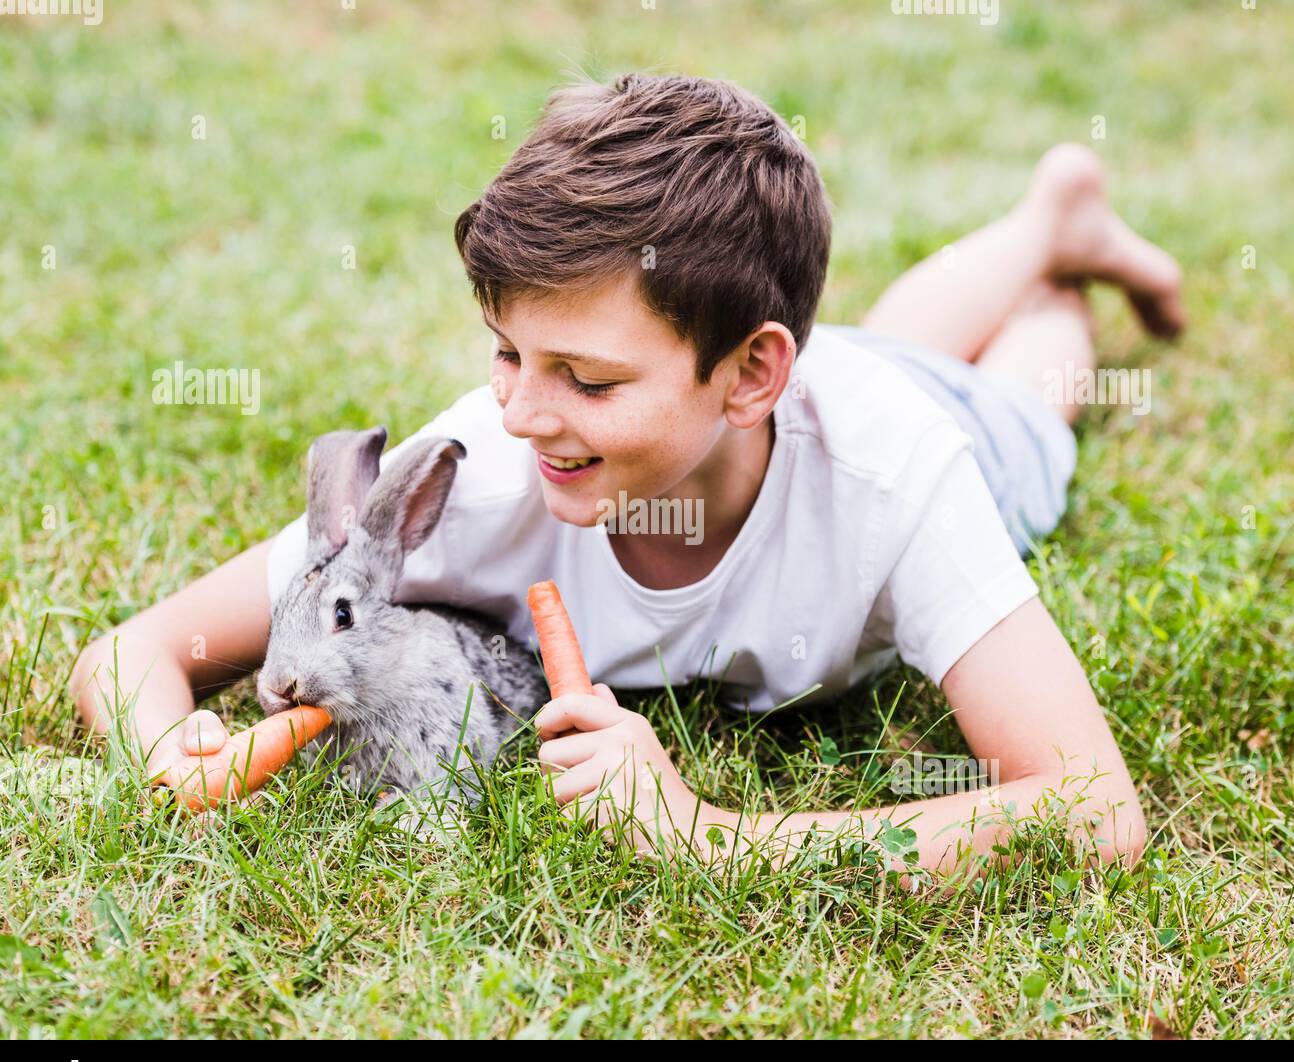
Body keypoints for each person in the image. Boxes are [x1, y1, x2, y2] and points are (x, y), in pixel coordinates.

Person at [73, 72, 1184, 880]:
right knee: (894, 339)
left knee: (1023, 401)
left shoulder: (901, 477)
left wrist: (714, 834)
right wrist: (173, 749)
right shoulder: (484, 471)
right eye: (508, 353)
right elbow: (134, 650)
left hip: (946, 422)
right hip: (810, 378)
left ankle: (1053, 242)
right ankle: (1049, 220)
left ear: (750, 373)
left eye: (586, 381)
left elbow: (1090, 813)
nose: (521, 411)